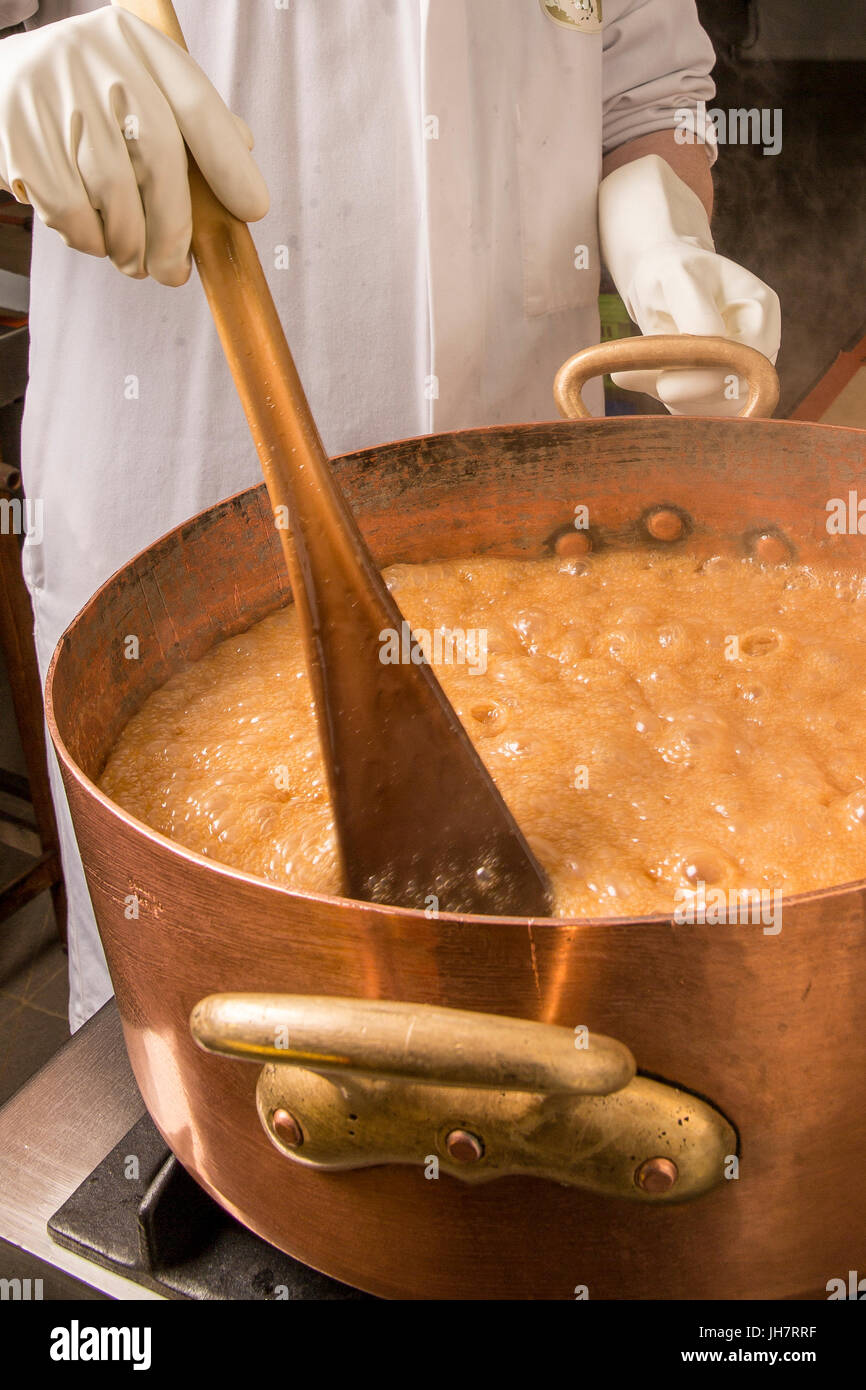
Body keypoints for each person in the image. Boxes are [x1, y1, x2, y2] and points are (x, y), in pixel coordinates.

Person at [0, 0, 780, 1030]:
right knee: (196, 1049)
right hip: (181, 537)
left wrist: (656, 232)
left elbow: (646, 97)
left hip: (538, 561)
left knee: (563, 1014)